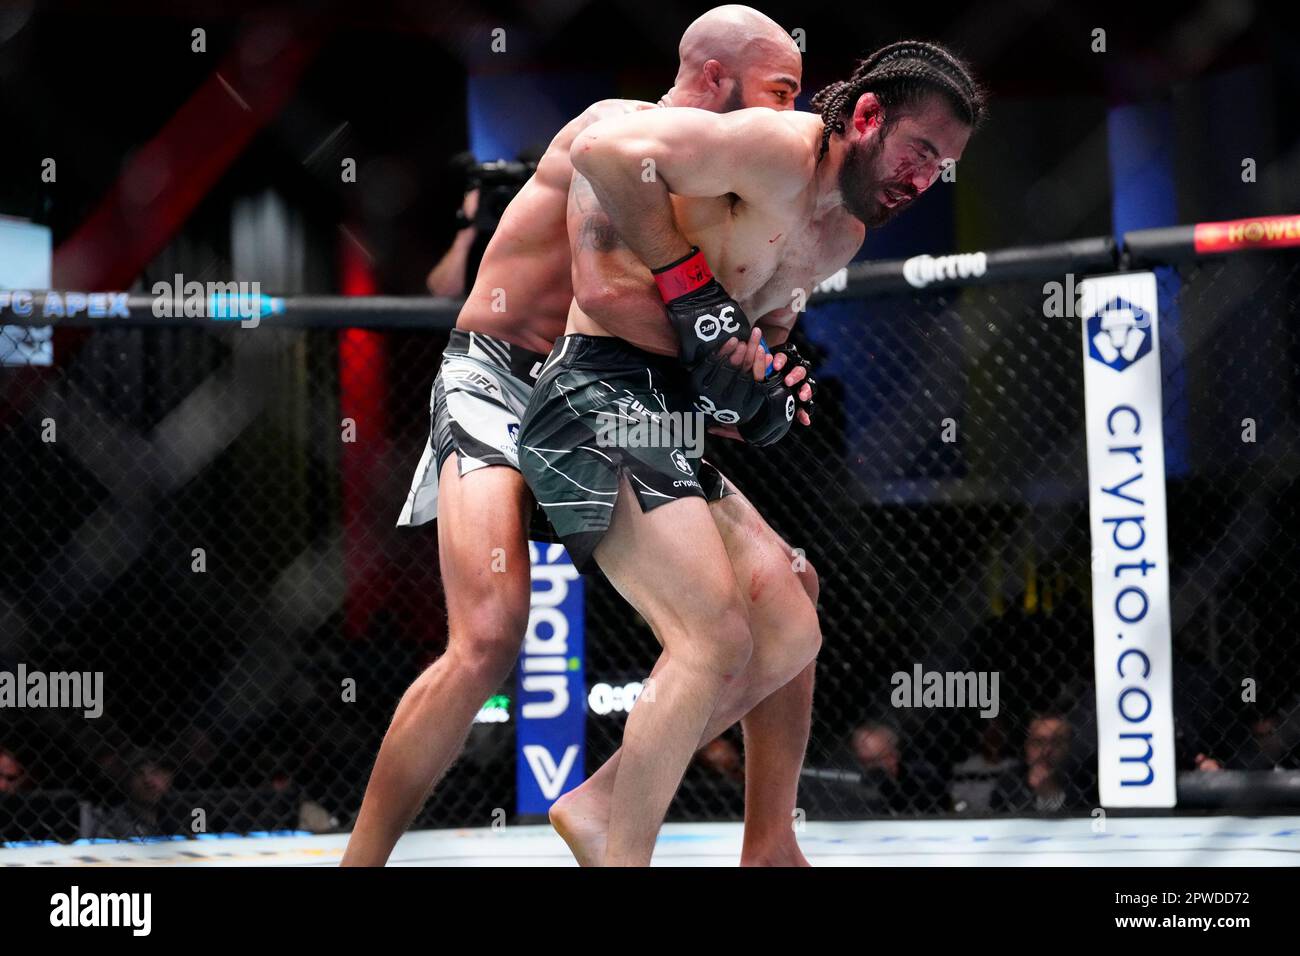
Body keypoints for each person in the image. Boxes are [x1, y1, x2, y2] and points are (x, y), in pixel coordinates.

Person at [342, 5, 811, 867]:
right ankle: (359, 864)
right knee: (488, 635)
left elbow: (717, 348)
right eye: (780, 91)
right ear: (714, 78)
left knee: (788, 583)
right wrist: (723, 342)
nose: (789, 116)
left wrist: (760, 371)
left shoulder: (735, 192)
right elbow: (615, 294)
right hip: (502, 376)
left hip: (611, 396)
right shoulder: (617, 135)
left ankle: (768, 842)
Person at [519, 40, 986, 864]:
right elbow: (604, 152)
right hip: (595, 395)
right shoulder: (776, 146)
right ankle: (622, 854)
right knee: (711, 636)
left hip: (668, 415)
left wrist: (767, 386)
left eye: (943, 166)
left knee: (791, 619)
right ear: (868, 118)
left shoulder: (840, 233)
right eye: (920, 151)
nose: (926, 179)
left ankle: (608, 807)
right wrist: (687, 283)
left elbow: (753, 343)